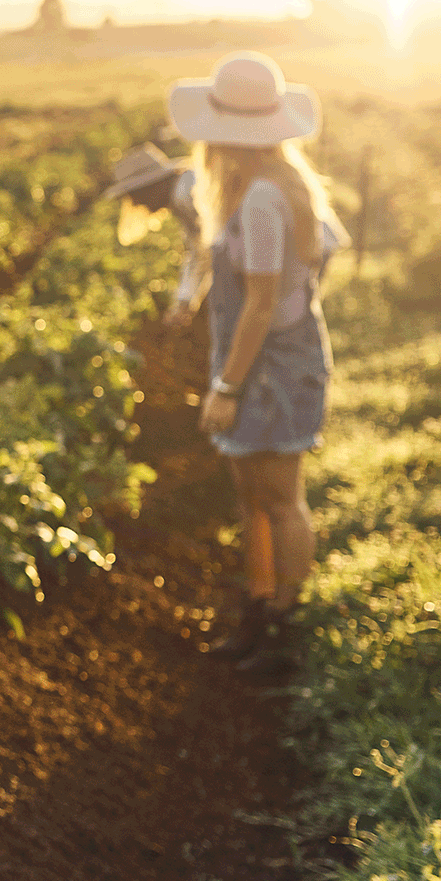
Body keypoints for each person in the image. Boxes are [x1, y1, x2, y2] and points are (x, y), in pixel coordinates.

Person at [165, 52, 344, 668]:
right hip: (264, 363)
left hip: (273, 369)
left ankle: (285, 626)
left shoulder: (266, 197)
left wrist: (226, 386)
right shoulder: (264, 184)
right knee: (252, 498)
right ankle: (260, 608)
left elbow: (262, 304)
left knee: (280, 496)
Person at [99, 141, 204, 330]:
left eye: (135, 195)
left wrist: (185, 301)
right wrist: (185, 301)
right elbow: (198, 250)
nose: (137, 203)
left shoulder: (186, 196)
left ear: (151, 185)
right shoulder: (184, 190)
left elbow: (204, 251)